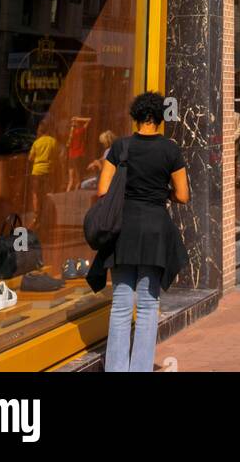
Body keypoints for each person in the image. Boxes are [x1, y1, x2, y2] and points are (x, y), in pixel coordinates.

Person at [92, 91, 190, 373]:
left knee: (121, 304)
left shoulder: (120, 147)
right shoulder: (170, 150)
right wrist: (162, 192)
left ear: (135, 117)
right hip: (155, 230)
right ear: (160, 118)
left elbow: (102, 190)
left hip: (123, 230)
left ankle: (116, 369)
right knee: (148, 306)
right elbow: (183, 195)